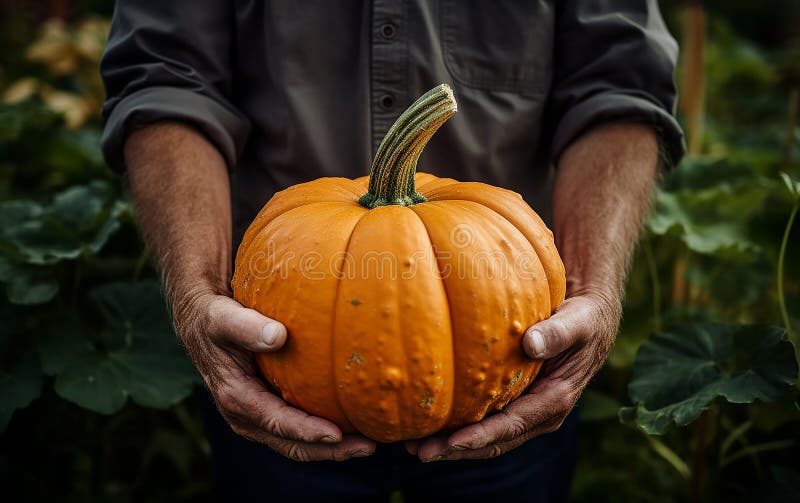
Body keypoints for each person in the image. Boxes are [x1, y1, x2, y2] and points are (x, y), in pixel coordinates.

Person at [100, 1, 684, 501]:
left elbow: (620, 78)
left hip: (515, 368)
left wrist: (594, 286)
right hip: (269, 366)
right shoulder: (302, 223)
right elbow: (165, 76)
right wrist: (197, 289)